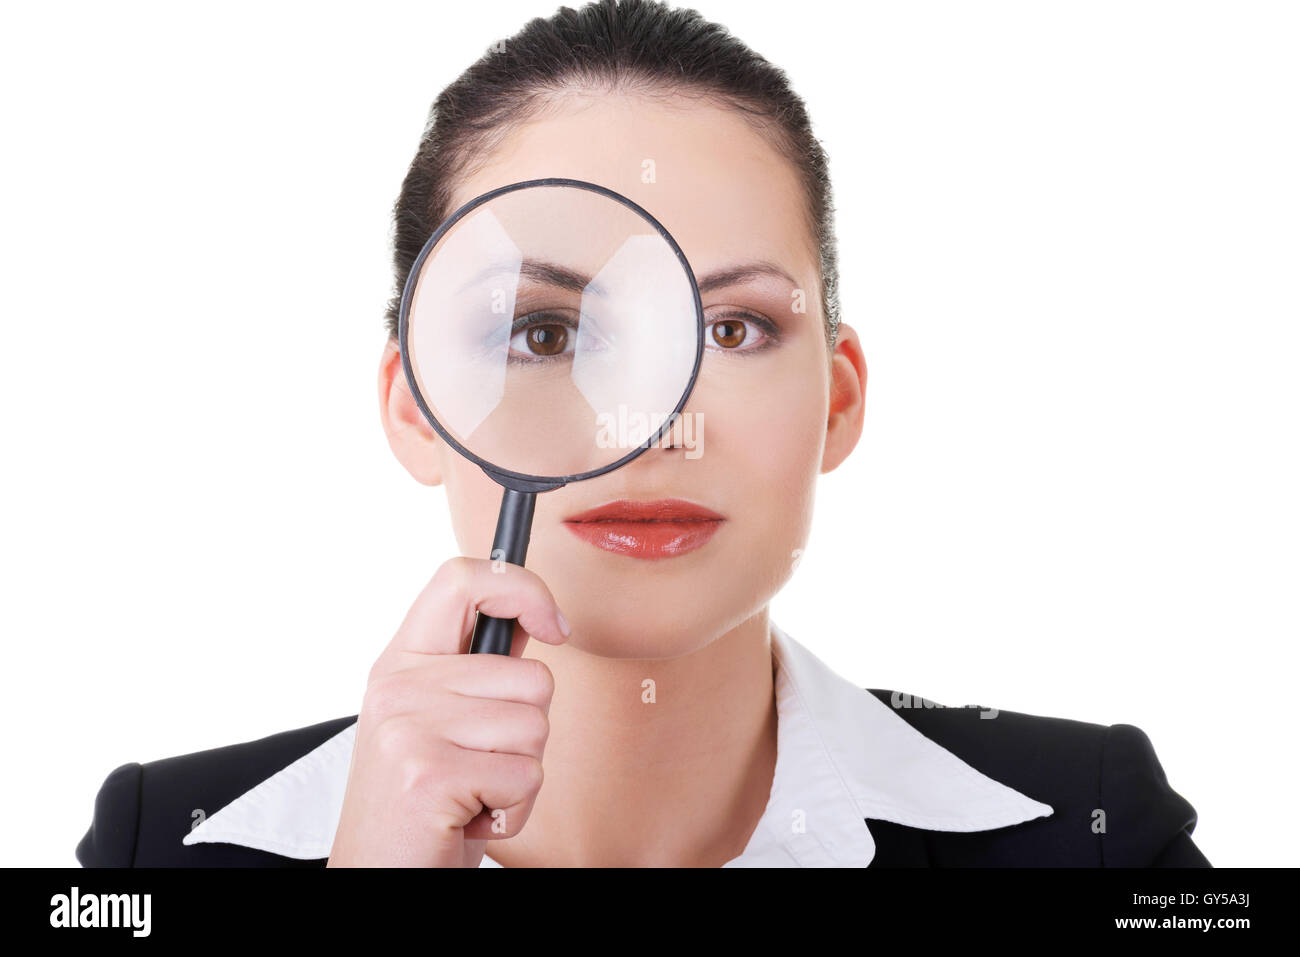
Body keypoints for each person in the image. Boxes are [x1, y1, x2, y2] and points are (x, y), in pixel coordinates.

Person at [75, 0, 1209, 868]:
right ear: (413, 402)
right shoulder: (164, 844)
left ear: (839, 398)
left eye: (732, 324)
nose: (649, 419)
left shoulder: (1093, 832)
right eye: (542, 331)